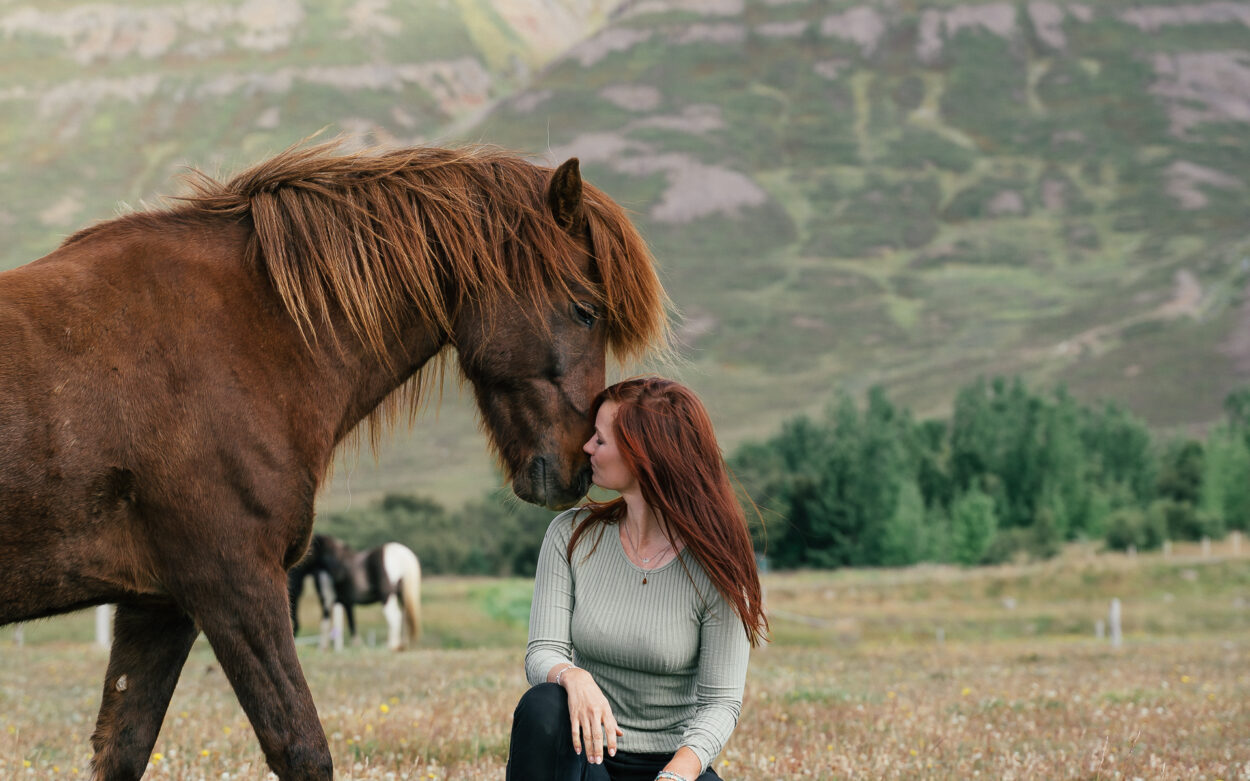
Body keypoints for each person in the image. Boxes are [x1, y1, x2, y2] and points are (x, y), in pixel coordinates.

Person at [506, 376, 768, 781]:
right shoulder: (570, 535)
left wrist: (675, 775)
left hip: (671, 766)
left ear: (642, 455)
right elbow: (543, 651)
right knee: (545, 705)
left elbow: (721, 704)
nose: (586, 447)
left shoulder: (719, 563)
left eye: (599, 439)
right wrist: (573, 675)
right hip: (585, 757)